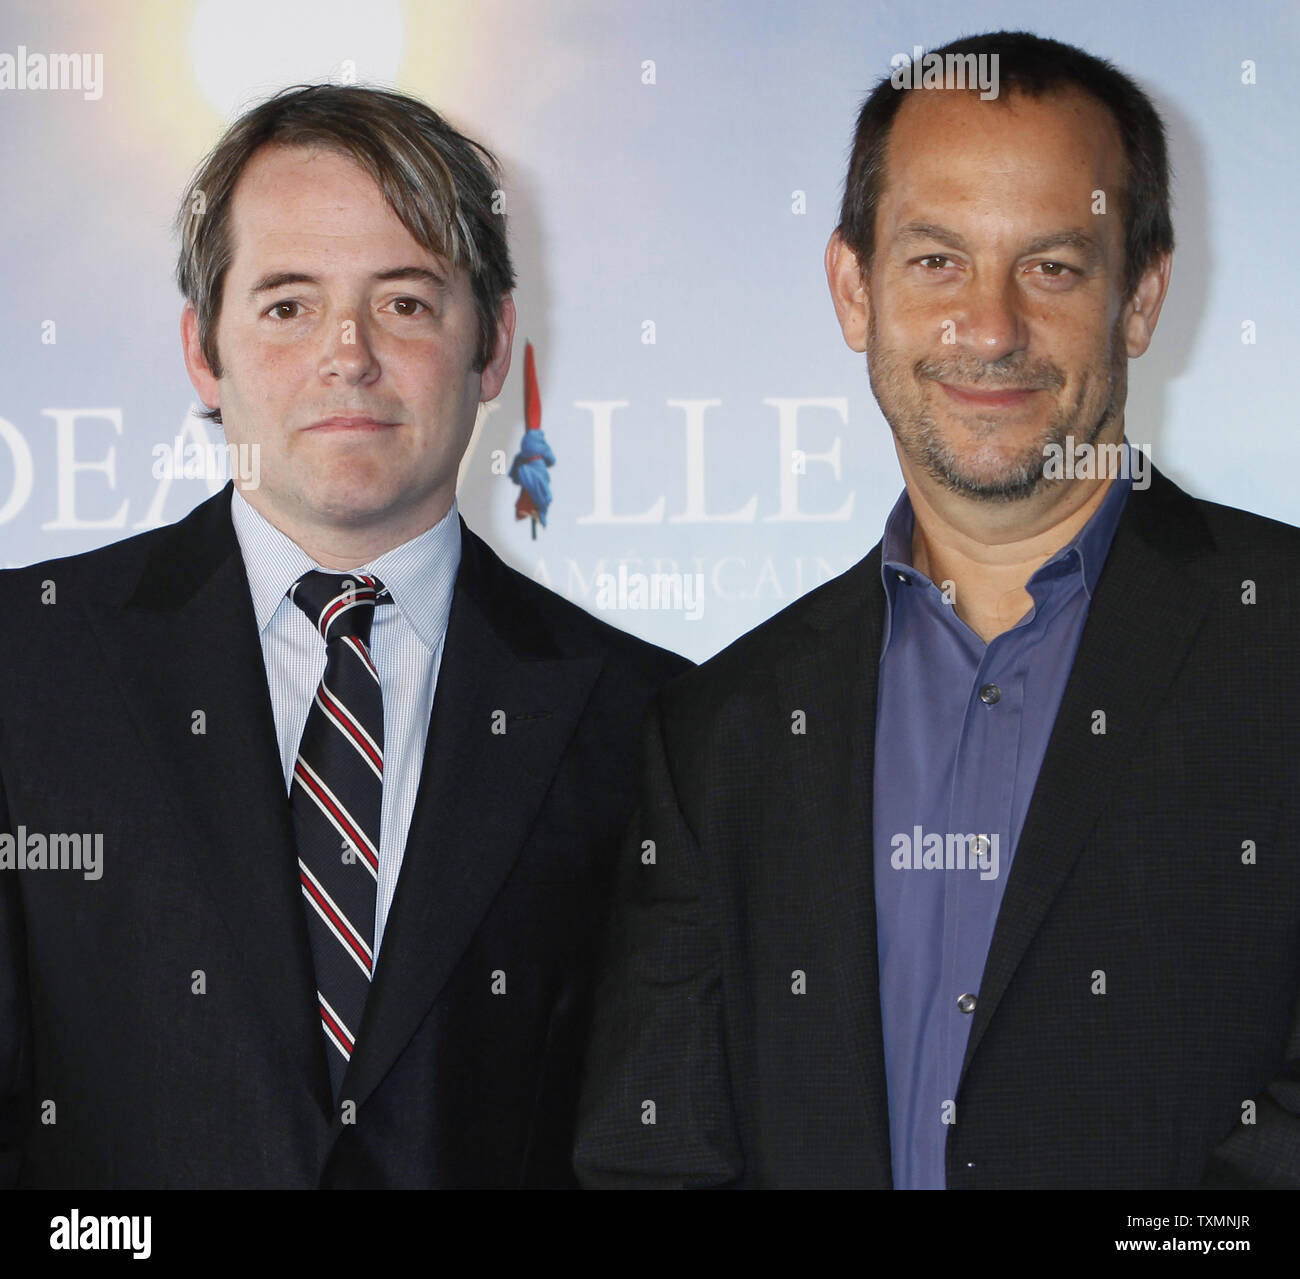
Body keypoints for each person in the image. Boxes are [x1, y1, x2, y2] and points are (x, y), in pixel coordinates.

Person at [574, 30, 1300, 1189]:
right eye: (935, 262)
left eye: (1053, 267)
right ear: (854, 289)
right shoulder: (724, 731)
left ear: (1142, 297)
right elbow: (652, 1153)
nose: (992, 327)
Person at [0, 83, 688, 1188]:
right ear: (202, 351)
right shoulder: (24, 666)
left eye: (407, 303)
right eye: (287, 305)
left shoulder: (654, 723)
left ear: (494, 343)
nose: (349, 354)